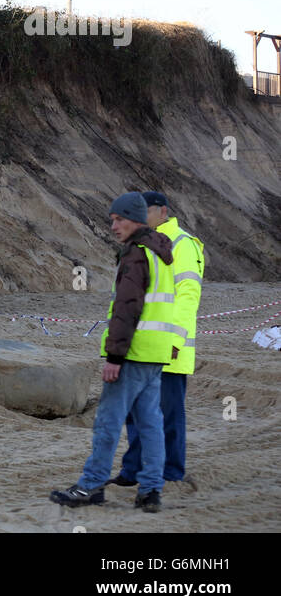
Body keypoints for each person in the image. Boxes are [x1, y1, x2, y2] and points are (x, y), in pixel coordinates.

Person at [50, 192, 177, 513]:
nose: (113, 226)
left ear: (135, 219)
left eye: (119, 219)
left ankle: (90, 486)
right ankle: (151, 491)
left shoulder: (135, 255)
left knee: (108, 422)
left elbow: (126, 309)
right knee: (150, 425)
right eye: (112, 219)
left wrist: (115, 357)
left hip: (132, 354)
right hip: (156, 354)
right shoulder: (160, 254)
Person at [110, 191, 204, 487]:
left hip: (168, 348)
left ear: (162, 212)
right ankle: (133, 471)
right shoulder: (138, 244)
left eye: (143, 211)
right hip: (140, 347)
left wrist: (174, 341)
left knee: (167, 413)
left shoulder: (181, 243)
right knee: (136, 413)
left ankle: (171, 472)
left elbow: (188, 296)